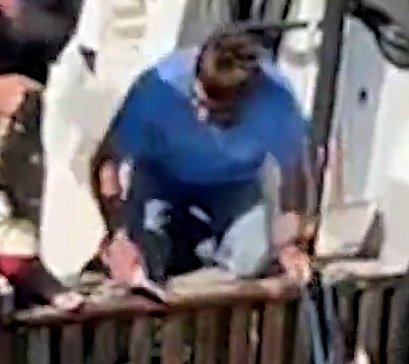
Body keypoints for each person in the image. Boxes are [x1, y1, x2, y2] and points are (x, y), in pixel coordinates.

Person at [89, 28, 313, 290]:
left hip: (235, 183)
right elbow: (107, 162)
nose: (203, 118)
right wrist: (118, 234)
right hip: (160, 179)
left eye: (220, 113)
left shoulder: (277, 100)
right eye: (197, 101)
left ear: (250, 99)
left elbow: (296, 173)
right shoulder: (158, 86)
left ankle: (193, 244)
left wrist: (291, 243)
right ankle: (180, 242)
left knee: (252, 262)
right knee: (144, 263)